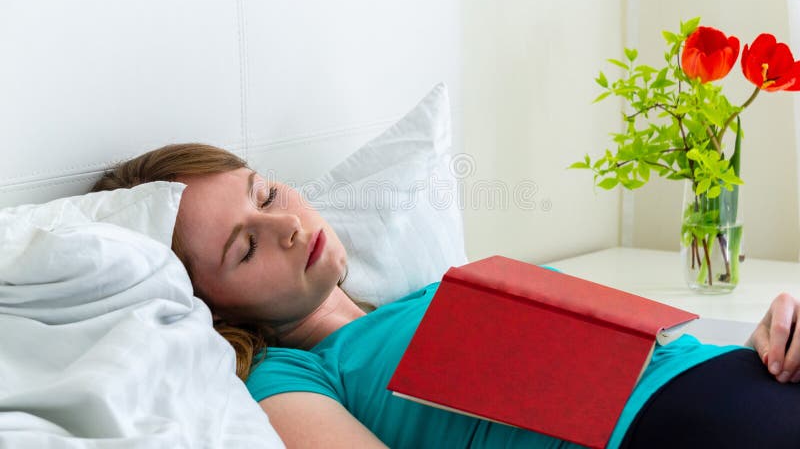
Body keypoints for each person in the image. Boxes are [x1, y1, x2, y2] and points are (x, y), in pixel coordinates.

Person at [92, 143, 800, 448]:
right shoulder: (293, 377)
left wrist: (769, 338)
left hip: (747, 382)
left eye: (267, 193)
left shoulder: (452, 288)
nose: (284, 226)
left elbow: (648, 361)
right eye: (243, 247)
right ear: (215, 309)